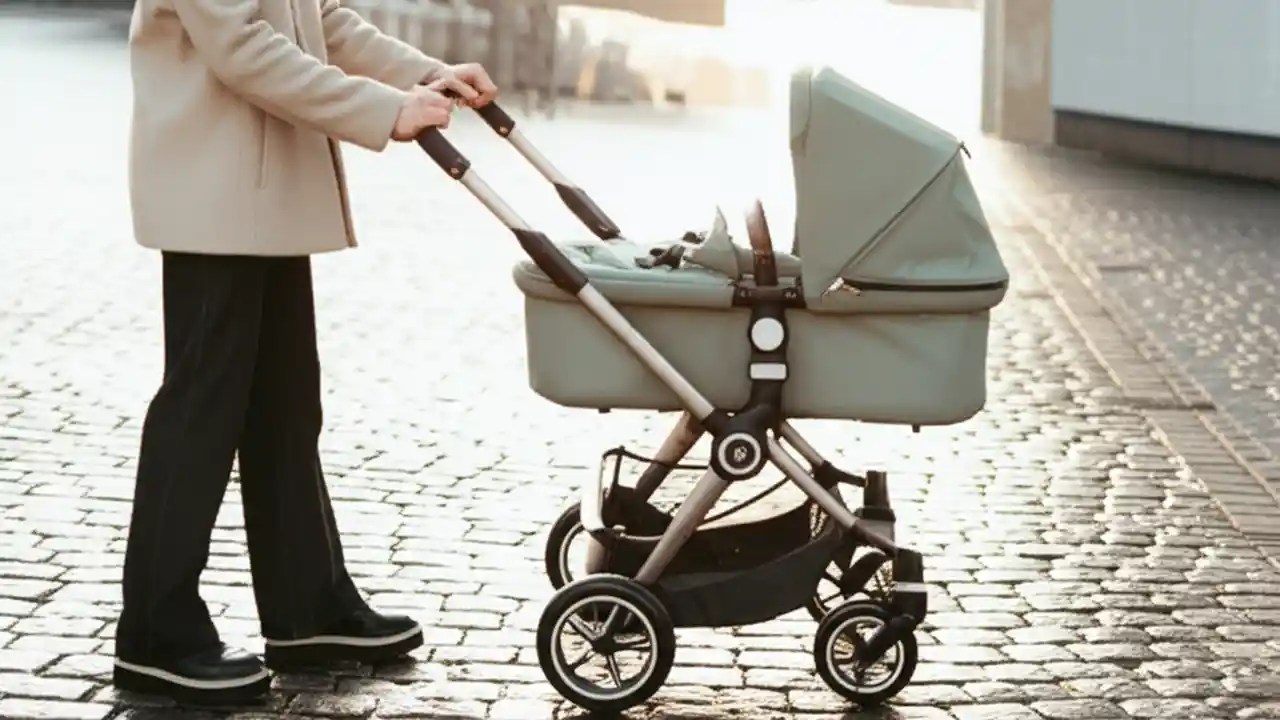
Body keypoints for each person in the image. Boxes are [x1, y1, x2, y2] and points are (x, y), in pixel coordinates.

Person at [113, 0, 497, 706]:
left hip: (263, 189)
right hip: (214, 191)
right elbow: (240, 46)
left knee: (286, 405)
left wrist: (423, 75)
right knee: (199, 412)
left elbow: (323, 18)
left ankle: (307, 607)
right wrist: (385, 109)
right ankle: (154, 633)